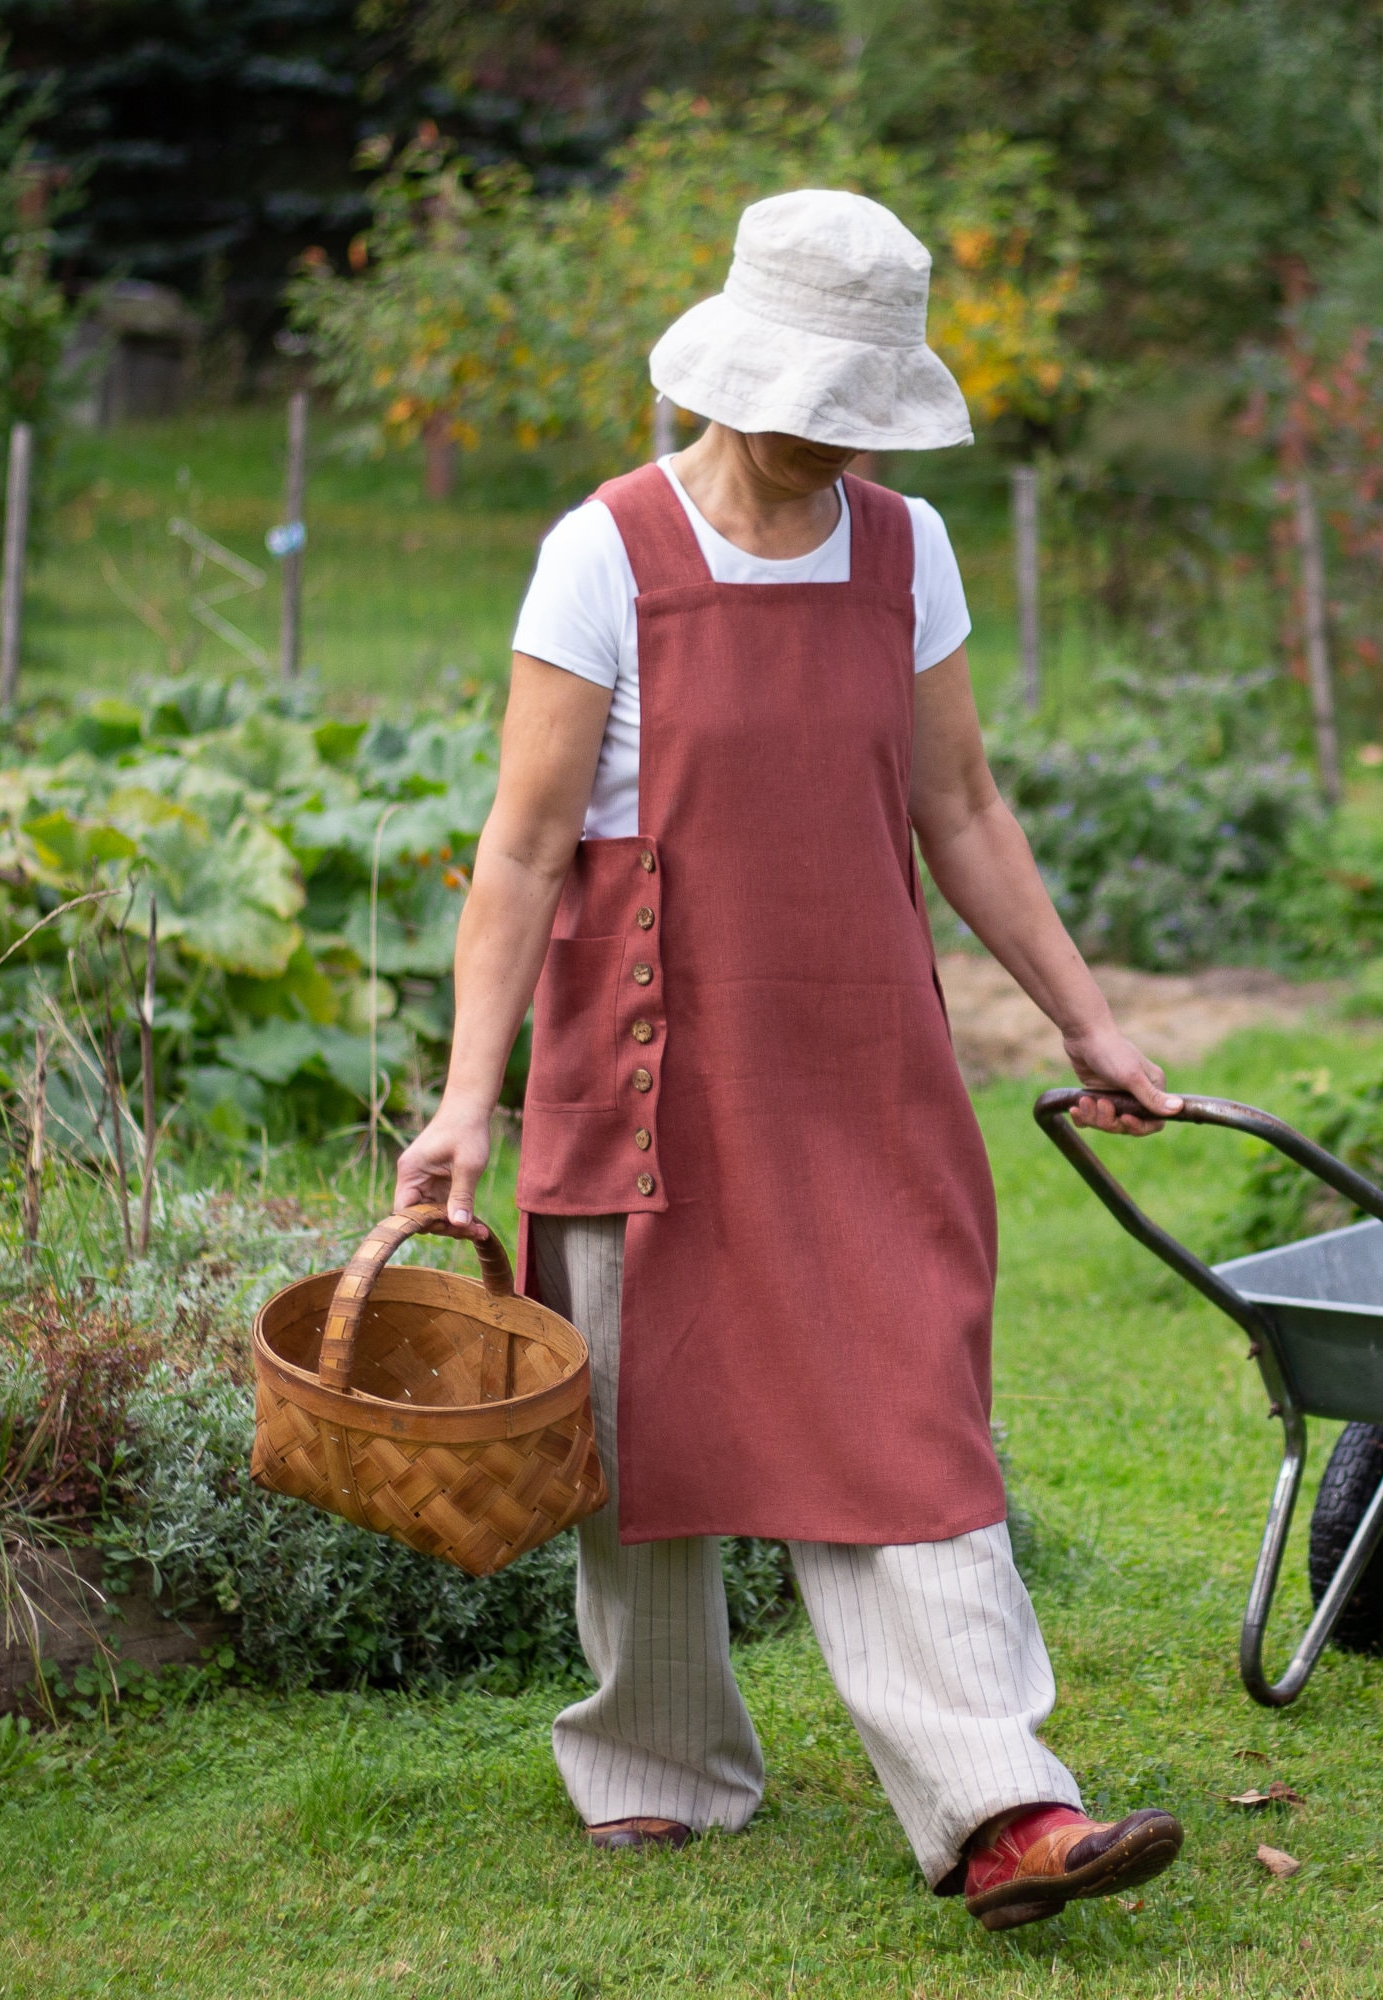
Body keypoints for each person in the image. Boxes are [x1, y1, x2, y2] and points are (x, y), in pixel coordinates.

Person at [391, 187, 1184, 1932]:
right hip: (652, 1048)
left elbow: (959, 803)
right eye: (819, 404)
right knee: (637, 1418)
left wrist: (1088, 1013)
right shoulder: (604, 550)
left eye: (862, 410)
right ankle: (659, 1762)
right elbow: (521, 851)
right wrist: (467, 1100)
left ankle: (1005, 1808)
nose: (839, 441)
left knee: (902, 1403)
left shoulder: (906, 552)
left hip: (860, 1063)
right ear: (738, 374)